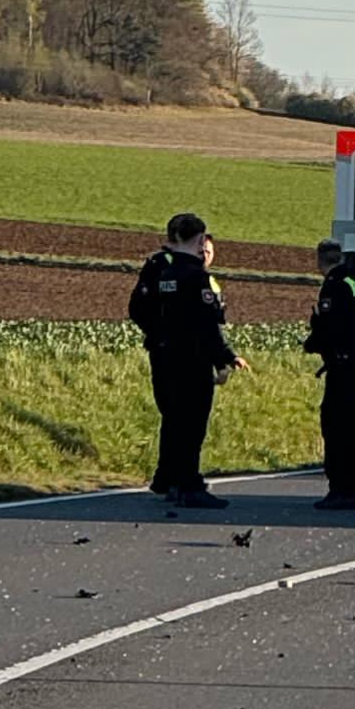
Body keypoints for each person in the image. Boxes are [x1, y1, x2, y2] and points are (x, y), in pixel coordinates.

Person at [129, 213, 246, 509]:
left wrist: (159, 334)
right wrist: (224, 357)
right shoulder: (196, 276)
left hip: (162, 353)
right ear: (199, 239)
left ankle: (169, 478)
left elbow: (137, 309)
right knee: (192, 422)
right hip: (191, 358)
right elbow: (207, 325)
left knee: (172, 417)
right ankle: (189, 484)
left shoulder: (157, 268)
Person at [305, 238, 355, 510]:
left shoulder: (334, 286)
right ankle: (352, 488)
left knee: (336, 428)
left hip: (343, 369)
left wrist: (313, 342)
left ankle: (339, 489)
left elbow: (331, 329)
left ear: (320, 260)